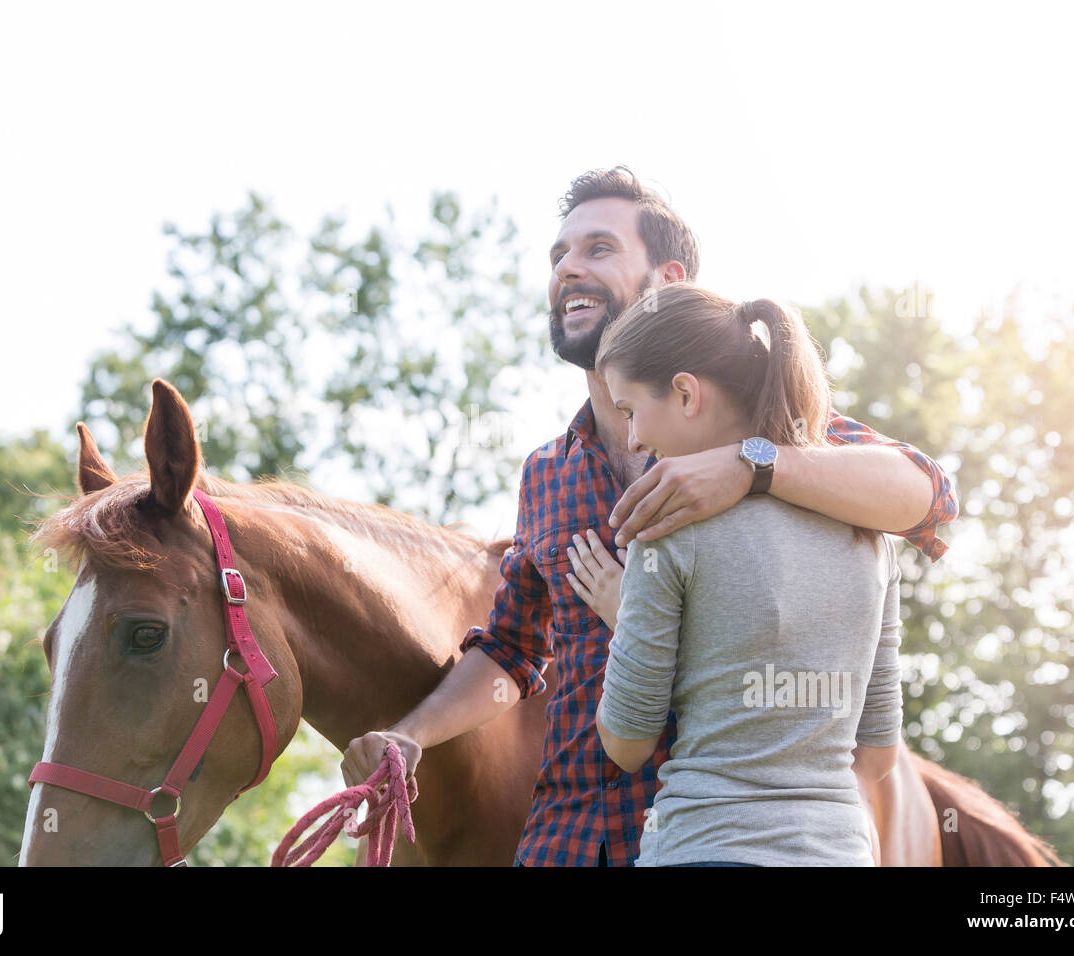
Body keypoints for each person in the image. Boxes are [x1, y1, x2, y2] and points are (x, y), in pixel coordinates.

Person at [341, 166, 957, 867]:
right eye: (558, 255)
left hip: (717, 833)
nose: (567, 268)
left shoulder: (782, 434)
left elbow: (931, 497)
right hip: (570, 836)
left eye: (598, 249)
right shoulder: (547, 473)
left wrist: (752, 466)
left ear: (668, 281)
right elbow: (513, 652)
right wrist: (411, 735)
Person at [593, 284, 900, 866]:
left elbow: (627, 745)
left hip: (705, 846)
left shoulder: (668, 530)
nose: (633, 438)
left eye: (631, 411)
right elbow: (878, 754)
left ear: (686, 393)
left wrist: (626, 623)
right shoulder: (872, 535)